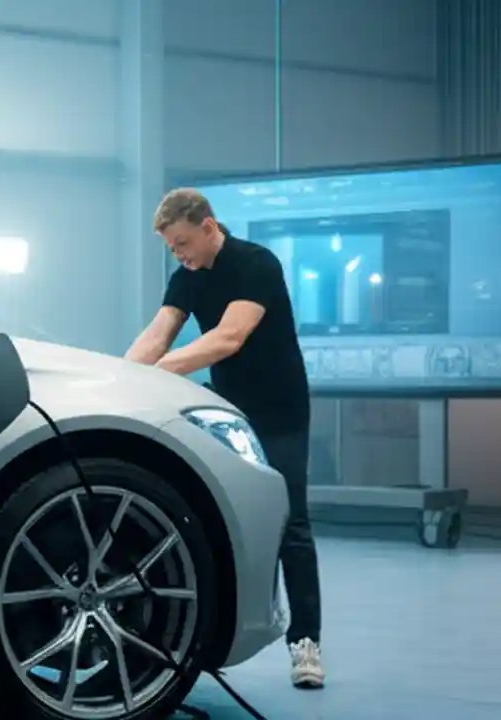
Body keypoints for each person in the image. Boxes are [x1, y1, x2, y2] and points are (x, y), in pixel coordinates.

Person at [124, 187, 325, 690]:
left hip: (280, 410)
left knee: (291, 523)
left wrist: (158, 373)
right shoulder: (186, 277)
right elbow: (157, 335)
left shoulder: (257, 263)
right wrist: (119, 378)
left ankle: (305, 643)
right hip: (228, 411)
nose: (179, 254)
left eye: (182, 243)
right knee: (206, 512)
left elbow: (228, 337)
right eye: (171, 247)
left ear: (208, 227)